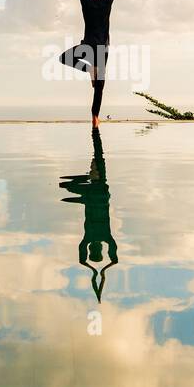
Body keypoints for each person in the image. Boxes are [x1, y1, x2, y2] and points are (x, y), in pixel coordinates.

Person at [57, 0, 117, 127]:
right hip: (102, 48)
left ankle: (89, 70)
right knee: (99, 85)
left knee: (64, 58)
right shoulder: (107, 2)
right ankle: (95, 117)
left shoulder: (86, 2)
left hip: (88, 45)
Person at [58, 127, 118, 302]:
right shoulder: (92, 237)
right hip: (93, 194)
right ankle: (88, 176)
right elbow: (81, 257)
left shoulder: (104, 238)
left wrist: (101, 272)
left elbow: (114, 259)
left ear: (99, 248)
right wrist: (94, 272)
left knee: (66, 185)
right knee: (97, 158)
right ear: (94, 248)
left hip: (94, 193)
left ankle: (88, 176)